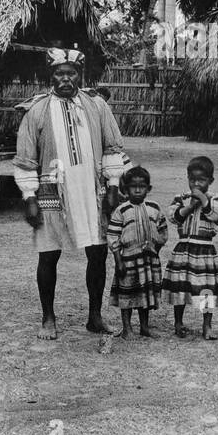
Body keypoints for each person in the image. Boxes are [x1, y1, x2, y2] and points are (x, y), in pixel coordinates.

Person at [14, 48, 129, 340]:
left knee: (98, 253)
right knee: (48, 255)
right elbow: (26, 158)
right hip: (53, 192)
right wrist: (29, 197)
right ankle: (48, 318)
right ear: (50, 76)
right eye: (59, 74)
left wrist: (113, 186)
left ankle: (95, 316)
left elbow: (113, 146)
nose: (65, 79)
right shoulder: (36, 111)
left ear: (80, 75)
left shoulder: (97, 106)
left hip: (92, 191)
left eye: (71, 73)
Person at [162, 155, 218, 340]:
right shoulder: (181, 198)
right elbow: (174, 217)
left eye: (202, 180)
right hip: (183, 250)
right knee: (180, 287)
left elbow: (214, 215)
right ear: (188, 179)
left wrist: (202, 200)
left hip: (204, 251)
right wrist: (190, 206)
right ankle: (178, 322)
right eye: (193, 180)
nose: (196, 184)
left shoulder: (216, 199)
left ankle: (206, 325)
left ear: (211, 181)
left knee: (206, 290)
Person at [106, 165, 168, 338]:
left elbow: (163, 230)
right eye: (134, 186)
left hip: (148, 260)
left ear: (149, 188)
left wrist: (155, 248)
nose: (138, 190)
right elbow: (112, 236)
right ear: (126, 189)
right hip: (128, 260)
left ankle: (144, 327)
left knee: (144, 294)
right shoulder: (121, 210)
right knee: (127, 294)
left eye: (142, 186)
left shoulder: (154, 208)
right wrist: (119, 261)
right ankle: (127, 328)